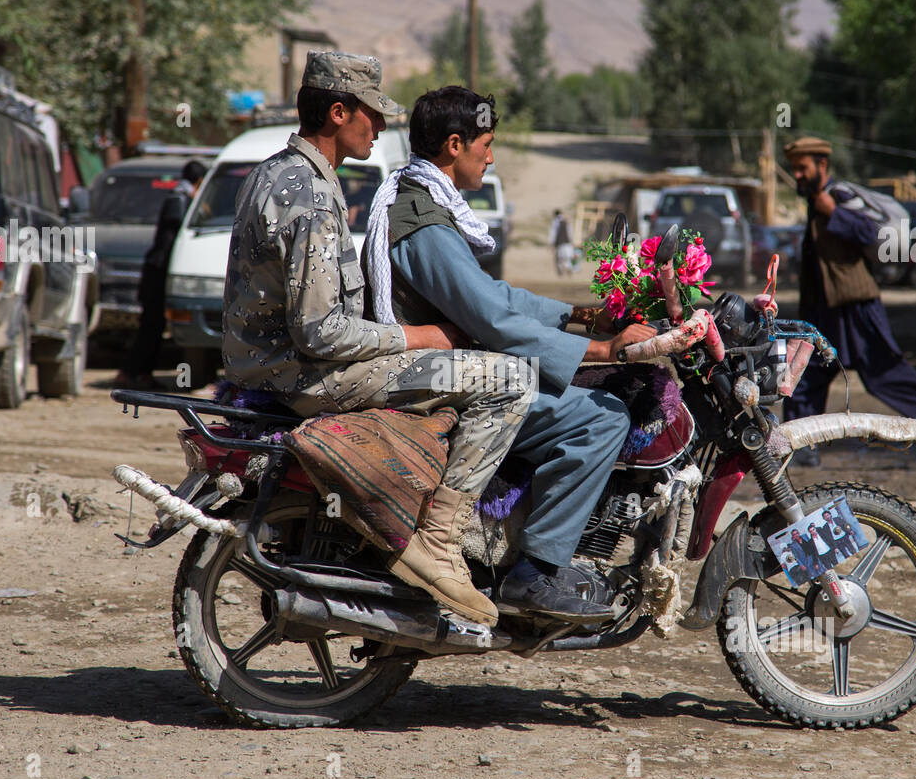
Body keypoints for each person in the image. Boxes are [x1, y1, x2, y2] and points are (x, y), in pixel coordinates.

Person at [222, 51, 537, 629]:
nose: (383, 126)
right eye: (372, 114)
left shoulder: (277, 172)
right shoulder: (309, 195)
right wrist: (418, 336)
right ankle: (441, 543)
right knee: (511, 378)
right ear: (339, 113)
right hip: (309, 373)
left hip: (274, 365)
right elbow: (321, 331)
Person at [363, 86, 656, 624]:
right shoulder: (422, 223)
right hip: (438, 389)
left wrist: (577, 315)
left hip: (450, 373)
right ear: (456, 145)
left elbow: (493, 298)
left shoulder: (424, 205)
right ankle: (536, 572)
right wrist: (600, 348)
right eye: (487, 144)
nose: (491, 156)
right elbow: (490, 319)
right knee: (602, 418)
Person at [781, 136, 916, 468]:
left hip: (856, 307)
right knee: (807, 373)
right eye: (794, 169)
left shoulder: (838, 198)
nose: (797, 175)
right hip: (823, 310)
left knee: (883, 372)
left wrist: (836, 214)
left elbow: (872, 236)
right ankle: (798, 445)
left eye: (802, 168)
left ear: (821, 165)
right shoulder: (815, 201)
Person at [115, 159, 206, 389]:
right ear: (199, 181)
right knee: (151, 326)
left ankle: (137, 373)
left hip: (157, 271)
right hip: (157, 272)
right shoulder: (179, 200)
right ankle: (132, 373)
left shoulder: (179, 197)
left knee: (152, 326)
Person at [549, 209, 575, 275]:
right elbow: (570, 232)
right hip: (567, 242)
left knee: (559, 258)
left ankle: (560, 270)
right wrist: (572, 242)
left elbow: (553, 233)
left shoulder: (555, 222)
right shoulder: (566, 221)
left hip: (560, 243)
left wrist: (551, 243)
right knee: (567, 257)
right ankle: (568, 268)